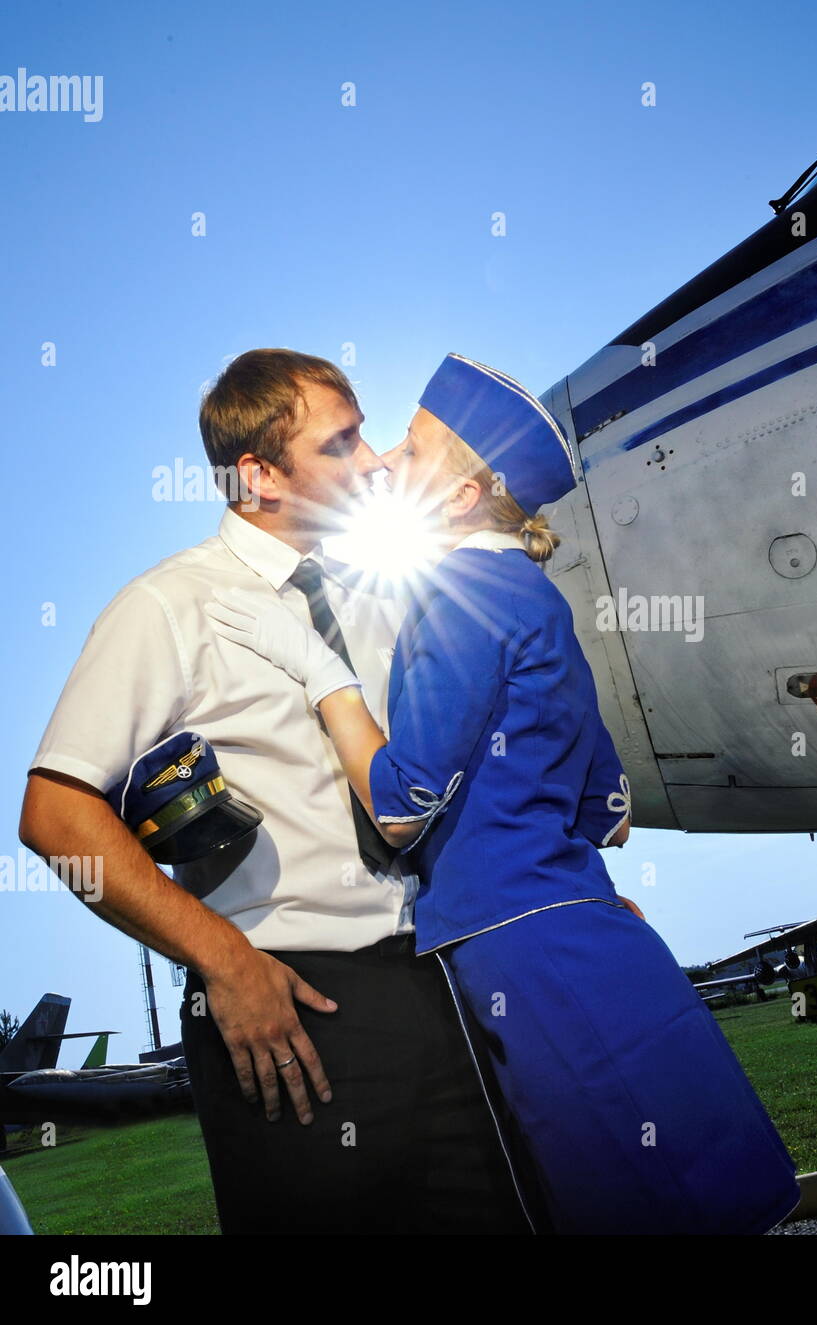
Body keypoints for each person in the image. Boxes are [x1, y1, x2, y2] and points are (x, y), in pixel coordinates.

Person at [206, 352, 803, 1234]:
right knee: (689, 1185)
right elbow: (611, 808)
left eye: (410, 452)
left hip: (514, 944)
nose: (384, 465)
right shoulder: (531, 593)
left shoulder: (456, 596)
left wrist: (326, 680)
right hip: (586, 927)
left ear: (456, 497)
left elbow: (404, 804)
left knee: (623, 1201)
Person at [19, 349, 531, 1234]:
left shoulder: (383, 603)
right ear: (258, 473)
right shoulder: (168, 605)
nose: (371, 460)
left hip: (440, 990)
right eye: (341, 443)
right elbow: (54, 815)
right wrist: (223, 960)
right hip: (284, 1010)